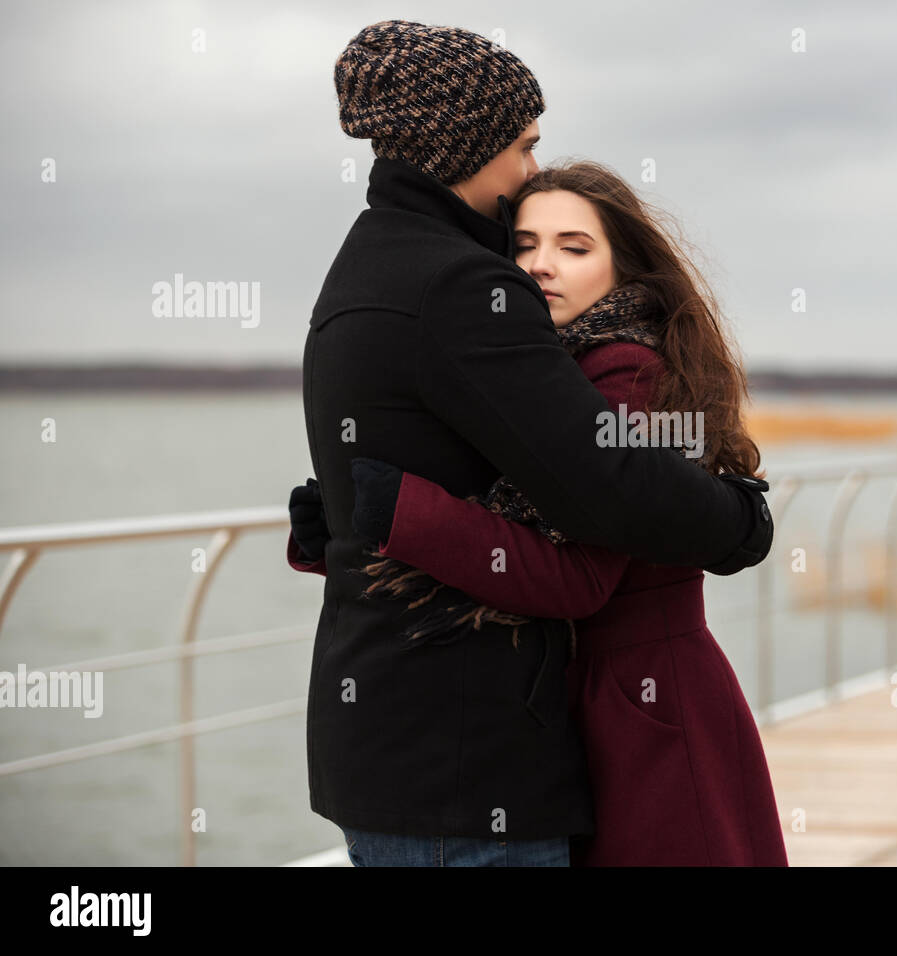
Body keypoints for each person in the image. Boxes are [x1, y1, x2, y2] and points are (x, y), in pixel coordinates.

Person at [295, 20, 773, 867]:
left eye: (574, 246)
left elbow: (577, 468)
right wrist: (738, 523)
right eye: (520, 146)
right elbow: (602, 484)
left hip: (401, 749)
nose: (524, 173)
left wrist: (347, 517)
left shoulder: (360, 269)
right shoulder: (458, 284)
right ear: (464, 144)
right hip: (461, 763)